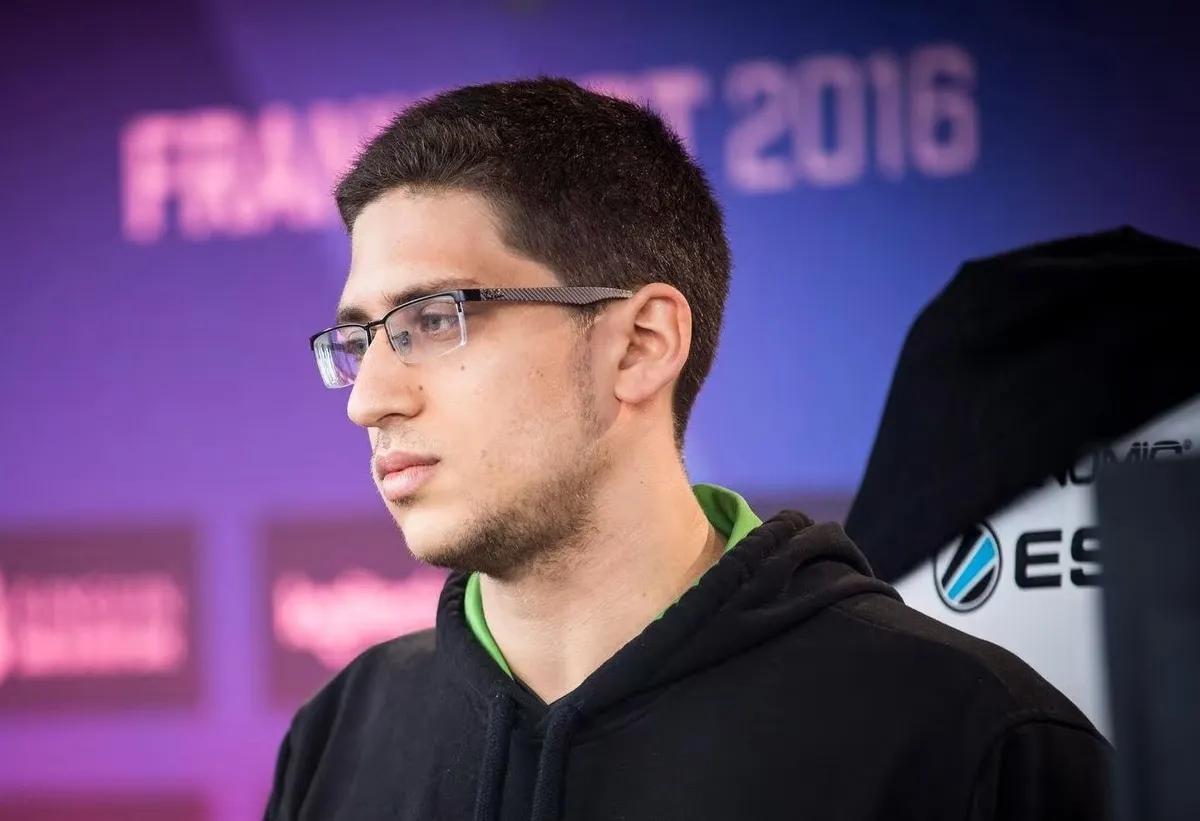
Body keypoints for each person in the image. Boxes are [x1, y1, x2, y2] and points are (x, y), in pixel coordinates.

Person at [265, 78, 1111, 821]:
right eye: (359, 340)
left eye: (431, 320)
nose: (369, 399)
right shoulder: (338, 734)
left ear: (641, 345)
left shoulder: (971, 739)